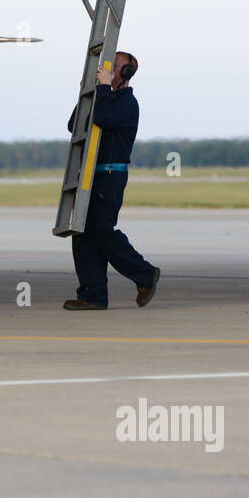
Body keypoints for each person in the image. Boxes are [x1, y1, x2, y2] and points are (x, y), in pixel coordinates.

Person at [63, 50, 160, 311]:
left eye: (112, 66)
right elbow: (74, 125)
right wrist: (88, 92)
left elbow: (103, 118)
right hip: (90, 176)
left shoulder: (128, 103)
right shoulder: (102, 97)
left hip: (109, 176)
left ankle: (144, 274)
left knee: (103, 230)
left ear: (125, 74)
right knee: (82, 232)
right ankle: (92, 294)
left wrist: (104, 86)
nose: (104, 69)